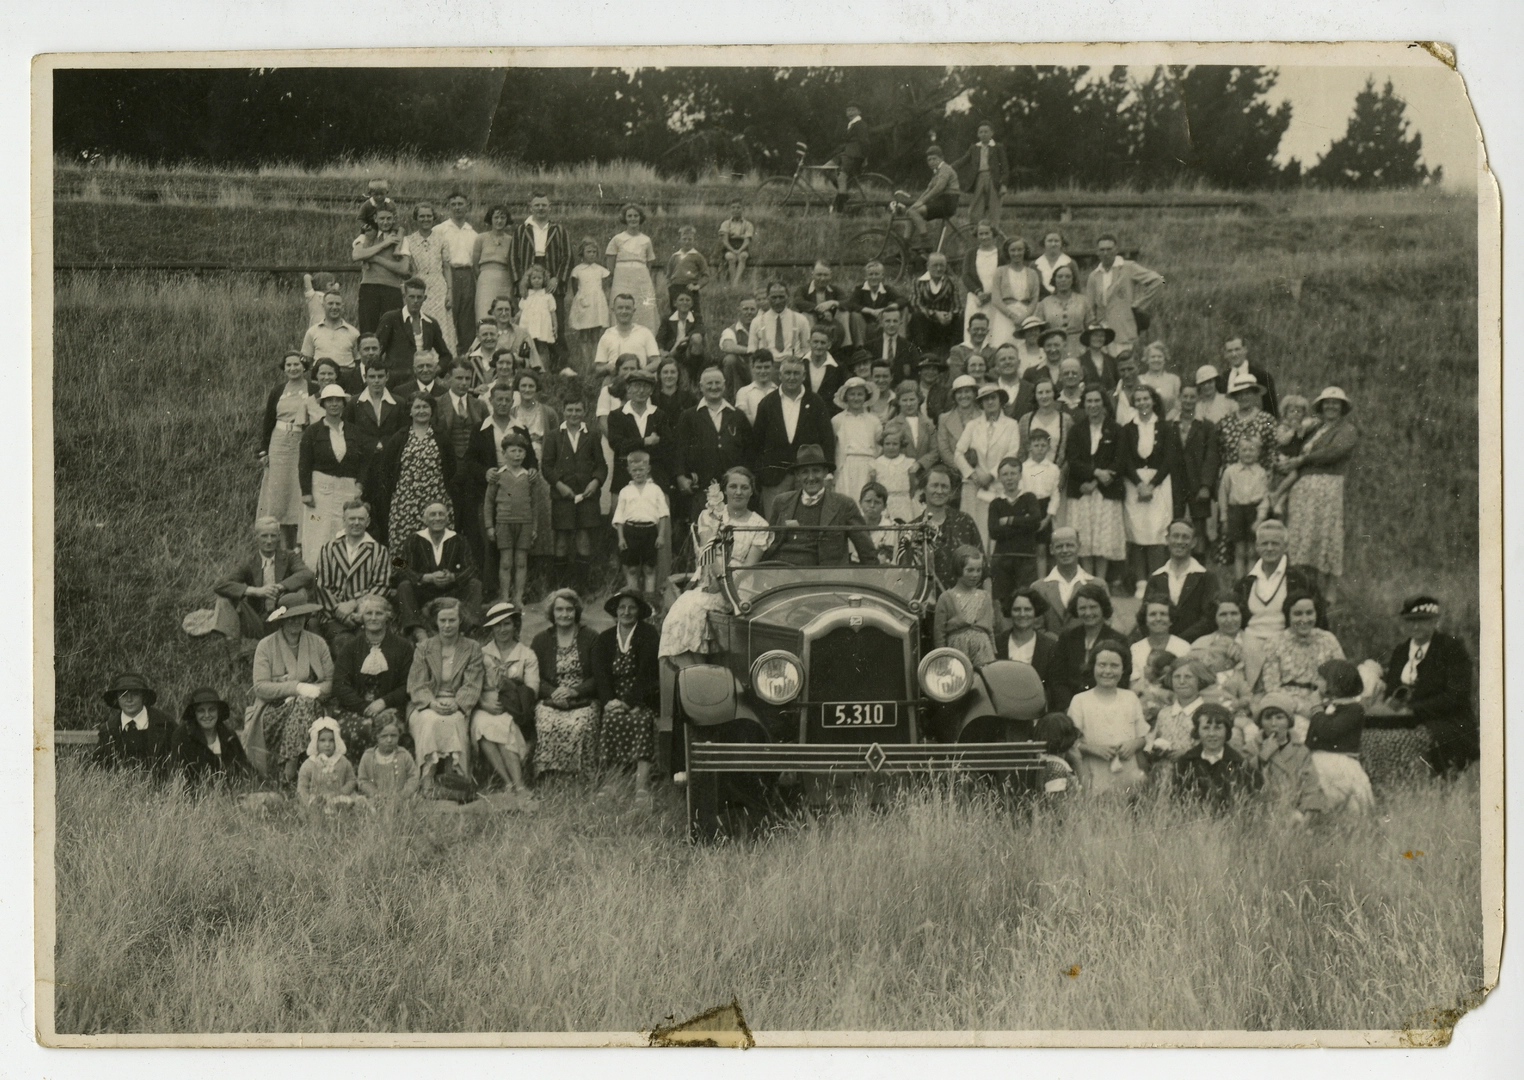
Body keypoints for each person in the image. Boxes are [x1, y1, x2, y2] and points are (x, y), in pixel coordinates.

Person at [658, 468, 771, 736]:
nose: (739, 492)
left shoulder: (760, 525)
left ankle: (702, 679)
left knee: (691, 608)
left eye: (744, 487)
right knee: (682, 609)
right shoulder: (710, 517)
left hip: (738, 586)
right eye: (733, 487)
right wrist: (709, 577)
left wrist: (724, 578)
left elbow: (750, 567)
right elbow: (704, 557)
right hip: (708, 580)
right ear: (724, 490)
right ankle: (698, 678)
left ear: (752, 491)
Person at [1284, 386, 1359, 603]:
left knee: (1327, 536)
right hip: (1303, 489)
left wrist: (1303, 460)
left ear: (1342, 407)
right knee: (1304, 538)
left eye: (1336, 403)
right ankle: (1307, 589)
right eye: (1327, 403)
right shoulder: (1316, 428)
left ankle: (1330, 593)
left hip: (1327, 487)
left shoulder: (1347, 430)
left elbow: (1334, 452)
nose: (1331, 407)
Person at [249, 596, 333, 783]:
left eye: (300, 616)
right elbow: (261, 687)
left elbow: (329, 682)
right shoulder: (266, 646)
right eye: (290, 617)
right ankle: (293, 769)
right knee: (303, 702)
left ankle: (288, 769)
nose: (295, 621)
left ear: (306, 617)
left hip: (313, 708)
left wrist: (309, 692)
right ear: (282, 619)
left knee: (304, 703)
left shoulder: (318, 643)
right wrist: (296, 688)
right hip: (274, 711)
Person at [406, 596, 483, 790]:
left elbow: (472, 684)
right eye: (443, 620)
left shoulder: (472, 648)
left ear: (460, 620)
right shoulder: (424, 648)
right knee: (431, 720)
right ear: (436, 622)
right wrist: (432, 703)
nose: (447, 625)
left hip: (457, 703)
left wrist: (457, 704)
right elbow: (416, 684)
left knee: (455, 720)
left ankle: (454, 776)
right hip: (425, 704)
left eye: (452, 620)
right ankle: (427, 776)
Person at [594, 589, 662, 807]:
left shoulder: (649, 634)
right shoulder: (605, 638)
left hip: (643, 697)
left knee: (642, 720)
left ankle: (641, 785)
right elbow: (601, 675)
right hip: (614, 698)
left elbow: (648, 674)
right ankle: (610, 782)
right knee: (610, 720)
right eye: (622, 607)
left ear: (639, 611)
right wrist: (610, 701)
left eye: (631, 607)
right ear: (615, 611)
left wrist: (631, 702)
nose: (626, 612)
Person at [330, 593, 414, 763]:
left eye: (379, 613)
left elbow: (408, 684)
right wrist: (364, 707)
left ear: (387, 617)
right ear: (361, 617)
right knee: (356, 727)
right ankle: (355, 774)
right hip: (356, 708)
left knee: (386, 728)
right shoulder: (349, 647)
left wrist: (383, 702)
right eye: (368, 613)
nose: (373, 618)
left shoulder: (403, 647)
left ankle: (387, 775)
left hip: (390, 707)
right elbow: (340, 685)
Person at [764, 444, 878, 567]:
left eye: (816, 471)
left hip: (824, 580)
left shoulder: (844, 505)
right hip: (784, 577)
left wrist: (875, 578)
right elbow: (771, 543)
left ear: (825, 473)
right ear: (797, 475)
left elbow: (866, 551)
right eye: (804, 472)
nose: (811, 477)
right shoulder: (782, 502)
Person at [213, 517, 316, 651]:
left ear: (279, 537)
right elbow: (220, 585)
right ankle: (234, 652)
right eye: (264, 536)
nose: (269, 541)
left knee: (301, 594)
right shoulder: (250, 561)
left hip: (283, 616)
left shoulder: (289, 557)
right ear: (256, 537)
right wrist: (255, 591)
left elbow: (307, 574)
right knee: (223, 600)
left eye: (273, 536)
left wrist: (281, 586)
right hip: (258, 618)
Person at [750, 355, 836, 514]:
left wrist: (828, 473)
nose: (792, 377)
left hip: (808, 476)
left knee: (809, 521)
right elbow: (756, 443)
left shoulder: (816, 402)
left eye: (796, 373)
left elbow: (827, 439)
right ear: (780, 375)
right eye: (788, 373)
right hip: (774, 478)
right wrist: (761, 473)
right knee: (776, 525)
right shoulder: (767, 403)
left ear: (804, 376)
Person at [470, 601, 537, 802]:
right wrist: (484, 704)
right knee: (481, 723)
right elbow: (471, 685)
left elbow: (532, 688)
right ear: (491, 629)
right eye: (497, 625)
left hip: (514, 708)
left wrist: (509, 694)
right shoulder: (481, 653)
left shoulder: (526, 654)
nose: (502, 629)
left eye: (507, 624)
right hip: (484, 705)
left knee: (503, 723)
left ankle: (518, 784)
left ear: (515, 625)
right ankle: (510, 782)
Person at [531, 589, 602, 777]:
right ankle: (549, 774)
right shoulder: (540, 640)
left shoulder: (591, 637)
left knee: (580, 724)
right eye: (559, 610)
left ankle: (581, 775)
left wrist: (574, 691)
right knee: (546, 722)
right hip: (551, 699)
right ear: (552, 613)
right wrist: (553, 693)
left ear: (576, 611)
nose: (564, 614)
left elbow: (598, 677)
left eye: (569, 609)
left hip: (583, 699)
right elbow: (534, 676)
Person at [541, 397, 606, 596]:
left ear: (585, 411)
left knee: (583, 539)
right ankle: (561, 588)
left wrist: (595, 482)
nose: (574, 414)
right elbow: (546, 466)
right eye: (570, 409)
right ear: (563, 410)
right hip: (563, 496)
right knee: (561, 539)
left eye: (578, 409)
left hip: (587, 496)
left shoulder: (593, 435)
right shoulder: (554, 436)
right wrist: (559, 485)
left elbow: (601, 465)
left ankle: (581, 588)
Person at [297, 383, 370, 559]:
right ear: (323, 404)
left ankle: (343, 572)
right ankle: (315, 573)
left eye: (338, 400)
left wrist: (359, 484)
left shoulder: (354, 431)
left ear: (344, 404)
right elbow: (304, 463)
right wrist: (306, 492)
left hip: (347, 487)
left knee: (343, 529)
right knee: (318, 530)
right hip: (320, 488)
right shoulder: (312, 432)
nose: (334, 404)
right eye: (330, 401)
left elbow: (364, 462)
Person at [1067, 641, 1148, 795]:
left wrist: (1133, 744)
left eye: (1114, 665)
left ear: (1124, 669)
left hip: (1127, 773)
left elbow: (1142, 738)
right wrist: (1093, 749)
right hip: (1094, 772)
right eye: (1102, 665)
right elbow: (1071, 743)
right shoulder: (1080, 700)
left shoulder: (1130, 698)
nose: (1108, 671)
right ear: (1093, 667)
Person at [1120, 384, 1180, 590]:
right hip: (1134, 483)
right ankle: (1140, 582)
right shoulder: (1127, 428)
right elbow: (1125, 459)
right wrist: (1139, 484)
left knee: (1156, 531)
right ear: (1133, 403)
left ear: (1153, 401)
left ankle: (1156, 582)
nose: (1142, 403)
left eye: (1146, 399)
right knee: (1137, 532)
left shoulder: (1166, 427)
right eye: (1138, 400)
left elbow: (1170, 459)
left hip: (1159, 484)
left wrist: (1152, 485)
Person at [396, 501, 482, 641]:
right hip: (423, 591)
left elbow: (472, 567)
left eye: (441, 514)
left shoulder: (458, 539)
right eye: (433, 515)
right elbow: (399, 564)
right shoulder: (414, 539)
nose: (437, 518)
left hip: (451, 591)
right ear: (425, 519)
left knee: (475, 584)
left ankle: (467, 630)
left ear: (447, 519)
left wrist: (454, 577)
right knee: (404, 586)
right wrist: (424, 577)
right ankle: (417, 630)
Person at [1065, 386, 1127, 582]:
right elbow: (1073, 460)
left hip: (1106, 490)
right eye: (1089, 401)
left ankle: (1100, 581)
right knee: (1084, 538)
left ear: (1104, 403)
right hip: (1081, 490)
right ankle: (1087, 579)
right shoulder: (1076, 430)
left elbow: (1120, 459)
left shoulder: (1116, 429)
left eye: (1097, 401)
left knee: (1102, 540)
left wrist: (1096, 481)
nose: (1093, 405)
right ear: (1084, 404)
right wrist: (1094, 474)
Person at [379, 392, 456, 546]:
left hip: (435, 498)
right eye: (417, 407)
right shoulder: (399, 438)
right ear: (410, 411)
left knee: (436, 542)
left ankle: (435, 571)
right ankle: (401, 570)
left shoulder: (441, 437)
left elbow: (451, 466)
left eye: (425, 407)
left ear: (432, 410)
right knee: (401, 544)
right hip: (405, 501)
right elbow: (386, 469)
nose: (421, 411)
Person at [312, 499, 390, 650]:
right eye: (351, 519)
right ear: (343, 521)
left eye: (361, 519)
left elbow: (381, 586)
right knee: (343, 643)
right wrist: (340, 612)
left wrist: (355, 605)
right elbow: (321, 586)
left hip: (367, 615)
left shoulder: (379, 551)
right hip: (333, 616)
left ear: (367, 522)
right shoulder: (328, 548)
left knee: (369, 645)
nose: (356, 523)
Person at [258, 352, 316, 551]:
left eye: (297, 364)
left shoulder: (313, 388)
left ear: (304, 367)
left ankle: (301, 545)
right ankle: (282, 546)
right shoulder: (278, 391)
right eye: (289, 365)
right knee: (280, 493)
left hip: (303, 441)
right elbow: (268, 421)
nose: (293, 368)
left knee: (300, 490)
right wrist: (263, 451)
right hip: (280, 443)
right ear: (284, 368)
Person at [675, 365, 754, 506]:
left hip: (733, 487)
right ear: (701, 386)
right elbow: (680, 448)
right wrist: (681, 476)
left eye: (717, 383)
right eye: (709, 383)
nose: (714, 387)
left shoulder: (737, 415)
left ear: (724, 385)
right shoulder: (689, 416)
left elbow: (750, 450)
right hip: (701, 485)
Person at [955, 382, 1022, 547]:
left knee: (996, 532)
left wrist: (991, 474)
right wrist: (973, 475)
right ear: (981, 403)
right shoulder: (973, 425)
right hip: (974, 486)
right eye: (985, 400)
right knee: (973, 531)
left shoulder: (1012, 425)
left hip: (999, 484)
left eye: (993, 398)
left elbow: (1012, 453)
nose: (990, 402)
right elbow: (958, 453)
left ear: (1000, 400)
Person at [1304, 658, 1374, 813]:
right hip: (1319, 764)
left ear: (1335, 682)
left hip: (1339, 765)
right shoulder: (1328, 707)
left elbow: (1328, 731)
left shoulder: (1354, 709)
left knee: (1348, 810)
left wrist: (1316, 708)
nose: (1317, 682)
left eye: (1321, 679)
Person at [1049, 582, 1131, 711]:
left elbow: (1122, 679)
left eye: (1093, 607)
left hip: (1106, 706)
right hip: (1069, 708)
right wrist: (1069, 708)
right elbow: (1058, 679)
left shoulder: (1118, 640)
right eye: (1082, 608)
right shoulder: (1067, 638)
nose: (1088, 613)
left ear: (1102, 608)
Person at [1084, 234, 1163, 359]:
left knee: (1124, 366)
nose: (1105, 253)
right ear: (1097, 252)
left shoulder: (1128, 267)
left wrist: (1138, 304)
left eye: (1109, 249)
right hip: (1102, 333)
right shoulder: (1094, 276)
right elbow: (1089, 305)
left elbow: (1158, 280)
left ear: (1116, 250)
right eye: (1102, 250)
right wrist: (1093, 324)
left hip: (1123, 330)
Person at [1171, 703, 1260, 810]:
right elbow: (1177, 800)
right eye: (1206, 728)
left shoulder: (1238, 764)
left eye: (1218, 728)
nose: (1212, 734)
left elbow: (1250, 801)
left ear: (1227, 731)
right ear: (1197, 731)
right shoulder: (1186, 763)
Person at [483, 432, 537, 608]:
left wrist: (534, 527)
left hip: (525, 524)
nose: (517, 455)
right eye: (513, 451)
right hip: (504, 523)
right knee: (506, 562)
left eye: (521, 451)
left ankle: (518, 597)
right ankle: (505, 597)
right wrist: (490, 527)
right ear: (504, 453)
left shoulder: (528, 476)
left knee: (521, 562)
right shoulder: (497, 475)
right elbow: (489, 503)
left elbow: (534, 504)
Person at [1253, 694, 1328, 820]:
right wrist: (1263, 756)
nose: (1273, 723)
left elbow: (1311, 786)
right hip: (1264, 812)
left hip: (1296, 811)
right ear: (1260, 722)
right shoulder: (1253, 746)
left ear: (1289, 722)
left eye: (1279, 718)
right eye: (1267, 718)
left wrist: (1307, 813)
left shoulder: (1300, 751)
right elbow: (1244, 778)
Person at [1140, 521, 1216, 642]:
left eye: (1185, 537)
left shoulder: (1206, 577)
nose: (1179, 541)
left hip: (1195, 643)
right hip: (1160, 644)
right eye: (1175, 536)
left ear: (1193, 542)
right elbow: (1145, 615)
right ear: (1167, 539)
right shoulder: (1156, 578)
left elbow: (1209, 619)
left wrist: (1178, 642)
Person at [909, 463, 982, 589]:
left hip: (963, 602)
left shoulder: (965, 521)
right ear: (924, 489)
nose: (939, 491)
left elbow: (984, 568)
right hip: (926, 602)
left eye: (944, 486)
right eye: (934, 485)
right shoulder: (913, 528)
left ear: (951, 491)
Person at [612, 447, 670, 604]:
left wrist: (660, 535)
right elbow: (619, 517)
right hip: (630, 532)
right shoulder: (625, 491)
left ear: (648, 469)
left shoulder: (655, 489)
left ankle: (649, 604)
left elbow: (663, 514)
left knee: (649, 569)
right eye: (634, 470)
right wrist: (621, 538)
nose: (638, 473)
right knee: (631, 568)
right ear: (629, 471)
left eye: (641, 470)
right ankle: (633, 601)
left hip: (650, 532)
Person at [92, 673, 174, 773]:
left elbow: (180, 761)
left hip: (160, 786)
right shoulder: (108, 729)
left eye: (134, 694)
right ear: (117, 699)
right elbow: (99, 767)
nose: (129, 700)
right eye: (123, 695)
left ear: (143, 697)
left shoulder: (166, 724)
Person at [375, 277, 453, 379]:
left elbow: (446, 356)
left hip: (423, 380)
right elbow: (377, 351)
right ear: (404, 297)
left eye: (419, 297)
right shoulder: (391, 318)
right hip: (396, 380)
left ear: (424, 298)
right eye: (411, 297)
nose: (415, 301)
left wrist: (434, 371)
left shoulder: (431, 323)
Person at [170, 686, 251, 784]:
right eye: (201, 710)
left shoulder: (228, 734)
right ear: (194, 714)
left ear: (218, 711)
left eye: (211, 710)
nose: (207, 715)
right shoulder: (183, 736)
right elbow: (176, 774)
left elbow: (244, 768)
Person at [404, 202, 456, 355]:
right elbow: (406, 267)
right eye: (422, 216)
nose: (425, 219)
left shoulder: (442, 239)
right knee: (420, 321)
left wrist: (450, 291)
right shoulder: (409, 240)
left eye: (429, 216)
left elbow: (447, 267)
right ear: (416, 218)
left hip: (439, 286)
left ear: (433, 218)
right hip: (418, 285)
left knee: (441, 324)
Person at [933, 546, 998, 666]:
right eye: (970, 570)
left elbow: (990, 628)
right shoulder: (946, 597)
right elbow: (939, 633)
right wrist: (942, 657)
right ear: (958, 570)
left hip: (982, 648)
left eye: (979, 570)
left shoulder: (985, 596)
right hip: (957, 649)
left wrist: (993, 650)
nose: (975, 574)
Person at [1173, 385, 1220, 551]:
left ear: (1198, 399)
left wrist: (1206, 485)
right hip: (1175, 483)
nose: (1188, 401)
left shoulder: (1206, 426)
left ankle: (1198, 567)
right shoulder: (1171, 424)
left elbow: (1212, 456)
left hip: (1198, 483)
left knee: (1199, 528)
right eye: (1184, 396)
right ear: (1179, 398)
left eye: (1192, 397)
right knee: (1175, 523)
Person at [1144, 656, 1216, 763]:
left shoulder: (1209, 713)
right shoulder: (1164, 713)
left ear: (1200, 680)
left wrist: (1188, 754)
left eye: (1188, 677)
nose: (1182, 681)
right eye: (1177, 676)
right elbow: (1152, 743)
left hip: (1196, 772)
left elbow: (1215, 748)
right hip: (1165, 773)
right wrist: (1155, 749)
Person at [352, 204, 410, 333]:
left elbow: (403, 268)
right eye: (382, 218)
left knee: (394, 331)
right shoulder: (365, 236)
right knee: (368, 330)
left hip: (392, 289)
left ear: (394, 219)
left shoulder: (401, 239)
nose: (385, 222)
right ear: (375, 218)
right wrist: (385, 243)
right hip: (369, 288)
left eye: (389, 218)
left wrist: (375, 259)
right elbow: (356, 255)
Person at [512, 190, 572, 314]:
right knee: (528, 320)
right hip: (528, 279)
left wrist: (557, 279)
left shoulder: (559, 230)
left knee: (555, 319)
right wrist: (521, 281)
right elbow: (513, 257)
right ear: (531, 208)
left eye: (544, 205)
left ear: (549, 208)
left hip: (553, 277)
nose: (540, 208)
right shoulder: (521, 230)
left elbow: (568, 256)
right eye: (537, 205)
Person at [1031, 526, 1098, 636]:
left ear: (1079, 547)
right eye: (1059, 546)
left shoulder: (1097, 585)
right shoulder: (1038, 588)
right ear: (1051, 549)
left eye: (1070, 545)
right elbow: (1036, 629)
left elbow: (1104, 625)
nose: (1065, 550)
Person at [1219, 435, 1271, 579]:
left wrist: (1260, 519)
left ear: (1258, 453)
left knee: (1253, 551)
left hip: (1254, 512)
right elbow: (1223, 495)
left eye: (1252, 450)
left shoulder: (1261, 472)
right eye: (1244, 450)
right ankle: (1240, 584)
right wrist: (1224, 517)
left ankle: (1251, 582)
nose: (1248, 453)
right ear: (1238, 451)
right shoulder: (1230, 471)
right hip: (1236, 512)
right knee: (1239, 551)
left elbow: (1264, 498)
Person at [606, 203, 661, 334]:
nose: (633, 219)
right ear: (624, 218)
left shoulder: (646, 240)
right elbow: (610, 264)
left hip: (642, 279)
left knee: (643, 308)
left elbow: (649, 264)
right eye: (629, 216)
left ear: (640, 218)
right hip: (622, 279)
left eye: (636, 216)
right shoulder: (617, 239)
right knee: (621, 306)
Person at [437, 191, 480, 353]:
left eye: (460, 204)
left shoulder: (473, 233)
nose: (457, 208)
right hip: (447, 275)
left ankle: (464, 357)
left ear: (467, 206)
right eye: (453, 204)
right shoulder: (440, 230)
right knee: (448, 315)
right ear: (448, 207)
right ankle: (446, 355)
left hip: (467, 276)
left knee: (467, 317)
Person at [831, 376, 883, 508]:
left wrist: (874, 467)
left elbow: (879, 446)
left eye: (860, 394)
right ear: (846, 397)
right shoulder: (837, 420)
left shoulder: (874, 421)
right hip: (846, 466)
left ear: (865, 397)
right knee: (845, 501)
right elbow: (834, 447)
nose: (856, 398)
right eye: (852, 394)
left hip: (867, 467)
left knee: (865, 501)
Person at [301, 289, 363, 393]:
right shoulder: (312, 332)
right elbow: (307, 361)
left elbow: (358, 362)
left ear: (342, 306)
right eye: (330, 303)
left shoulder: (354, 333)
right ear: (323, 305)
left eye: (338, 304)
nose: (334, 307)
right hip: (321, 380)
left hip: (346, 380)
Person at [566, 237, 611, 377]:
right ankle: (587, 365)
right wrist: (581, 301)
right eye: (588, 251)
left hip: (597, 303)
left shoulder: (601, 270)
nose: (592, 254)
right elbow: (575, 290)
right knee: (584, 335)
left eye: (594, 252)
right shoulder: (577, 270)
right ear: (582, 253)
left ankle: (595, 364)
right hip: (583, 303)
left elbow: (604, 286)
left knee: (596, 335)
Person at [296, 717, 363, 812]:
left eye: (331, 740)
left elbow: (351, 780)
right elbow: (302, 787)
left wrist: (342, 792)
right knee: (315, 806)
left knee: (348, 804)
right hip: (317, 799)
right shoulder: (309, 764)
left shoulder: (342, 761)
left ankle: (341, 810)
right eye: (322, 740)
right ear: (315, 742)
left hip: (339, 796)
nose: (327, 744)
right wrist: (307, 801)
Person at [951, 122, 1009, 231]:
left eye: (986, 131)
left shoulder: (997, 147)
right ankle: (976, 233)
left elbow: (1005, 168)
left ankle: (993, 233)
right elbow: (963, 160)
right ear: (978, 134)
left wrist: (1004, 184)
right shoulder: (974, 148)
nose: (983, 134)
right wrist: (948, 167)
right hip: (979, 178)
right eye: (981, 132)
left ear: (991, 133)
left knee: (994, 209)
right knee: (975, 209)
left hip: (994, 179)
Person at [902, 145, 961, 251]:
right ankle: (904, 247)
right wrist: (917, 202)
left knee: (913, 212)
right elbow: (928, 190)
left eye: (934, 159)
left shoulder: (945, 169)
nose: (931, 162)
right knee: (910, 212)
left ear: (941, 158)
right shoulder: (936, 172)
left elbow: (939, 187)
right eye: (929, 160)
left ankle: (926, 241)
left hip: (948, 202)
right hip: (941, 201)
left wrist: (922, 202)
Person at [1003, 588, 1059, 690]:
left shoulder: (1050, 646)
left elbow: (1054, 686)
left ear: (1036, 612)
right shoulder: (997, 643)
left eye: (1027, 609)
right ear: (1010, 612)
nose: (1022, 614)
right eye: (1017, 609)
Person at [909, 252, 962, 358]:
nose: (939, 269)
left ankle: (952, 354)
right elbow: (915, 304)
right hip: (927, 321)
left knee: (961, 318)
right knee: (917, 316)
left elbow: (957, 305)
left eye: (942, 265)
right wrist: (935, 314)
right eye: (935, 265)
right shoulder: (918, 282)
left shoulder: (950, 282)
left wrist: (951, 314)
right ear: (928, 266)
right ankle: (924, 354)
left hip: (946, 323)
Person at [1215, 336, 1280, 419]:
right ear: (1225, 354)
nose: (1234, 354)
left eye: (1237, 349)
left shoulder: (1262, 376)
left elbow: (1271, 410)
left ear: (1245, 350)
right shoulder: (1223, 378)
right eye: (1230, 351)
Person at [356, 718, 421, 801]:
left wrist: (402, 795)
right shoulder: (368, 756)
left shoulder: (404, 755)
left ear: (399, 735)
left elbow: (413, 777)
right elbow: (363, 780)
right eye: (384, 736)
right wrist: (375, 794)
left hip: (401, 800)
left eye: (393, 735)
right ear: (376, 735)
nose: (389, 740)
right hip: (376, 799)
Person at [868, 420, 919, 524]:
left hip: (904, 503)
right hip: (883, 504)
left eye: (895, 444)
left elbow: (913, 488)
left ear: (901, 445)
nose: (891, 447)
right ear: (882, 444)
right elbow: (873, 487)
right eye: (887, 444)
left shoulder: (908, 463)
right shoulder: (876, 464)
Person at [1035, 263, 1090, 357]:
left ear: (1073, 280)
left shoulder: (1083, 300)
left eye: (1068, 277)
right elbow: (1039, 330)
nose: (1063, 280)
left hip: (1078, 346)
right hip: (1054, 347)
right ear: (1054, 280)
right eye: (1060, 277)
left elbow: (1089, 326)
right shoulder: (1044, 303)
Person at [472, 205, 515, 324]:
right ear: (491, 219)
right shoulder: (481, 238)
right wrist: (484, 278)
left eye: (503, 217)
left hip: (505, 280)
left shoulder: (511, 240)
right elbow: (475, 264)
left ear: (507, 220)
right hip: (485, 281)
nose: (499, 221)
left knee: (503, 312)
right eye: (496, 217)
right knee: (484, 312)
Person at [848, 260, 902, 340]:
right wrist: (871, 311)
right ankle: (860, 347)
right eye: (870, 274)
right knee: (855, 315)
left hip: (881, 321)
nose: (874, 277)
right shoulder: (860, 289)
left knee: (898, 311)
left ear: (882, 276)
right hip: (864, 322)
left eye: (877, 274)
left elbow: (902, 299)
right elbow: (852, 304)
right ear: (866, 276)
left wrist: (886, 309)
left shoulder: (886, 289)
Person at [831, 104, 870, 214]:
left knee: (841, 179)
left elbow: (865, 142)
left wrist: (865, 158)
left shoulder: (861, 124)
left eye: (853, 110)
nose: (850, 113)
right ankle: (843, 193)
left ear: (859, 112)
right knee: (826, 169)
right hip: (846, 153)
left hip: (854, 155)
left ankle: (840, 209)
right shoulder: (851, 124)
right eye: (848, 110)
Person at [665, 223, 711, 316]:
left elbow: (706, 276)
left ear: (694, 241)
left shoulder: (698, 256)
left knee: (693, 313)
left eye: (690, 239)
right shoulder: (675, 256)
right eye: (684, 239)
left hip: (690, 288)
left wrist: (697, 286)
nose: (687, 242)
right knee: (675, 313)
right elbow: (668, 274)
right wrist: (670, 286)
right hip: (675, 288)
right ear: (680, 240)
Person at [517, 263, 558, 361]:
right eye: (534, 278)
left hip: (542, 325)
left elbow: (552, 312)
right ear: (529, 280)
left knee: (542, 347)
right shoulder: (526, 295)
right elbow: (521, 311)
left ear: (544, 279)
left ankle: (542, 370)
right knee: (529, 347)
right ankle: (531, 368)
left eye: (539, 278)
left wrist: (555, 325)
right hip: (529, 325)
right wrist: (515, 320)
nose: (536, 280)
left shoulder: (547, 295)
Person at [948, 312, 997, 382]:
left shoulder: (993, 351)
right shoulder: (957, 350)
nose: (979, 332)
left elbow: (996, 375)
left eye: (983, 329)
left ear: (987, 331)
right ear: (969, 330)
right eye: (976, 329)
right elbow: (957, 376)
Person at [1138, 341, 1181, 420]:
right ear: (1147, 359)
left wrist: (1165, 421)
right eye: (1153, 357)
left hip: (1168, 422)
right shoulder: (1140, 379)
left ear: (1164, 359)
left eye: (1160, 356)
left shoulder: (1174, 379)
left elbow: (1178, 406)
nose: (1156, 360)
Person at [718, 200, 754, 285]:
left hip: (742, 246)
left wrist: (740, 249)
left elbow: (747, 240)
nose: (736, 210)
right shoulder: (726, 224)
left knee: (743, 256)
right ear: (730, 209)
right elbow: (725, 241)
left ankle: (735, 282)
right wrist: (733, 250)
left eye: (738, 207)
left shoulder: (748, 224)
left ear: (743, 209)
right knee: (730, 257)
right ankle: (734, 283)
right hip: (729, 246)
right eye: (733, 207)